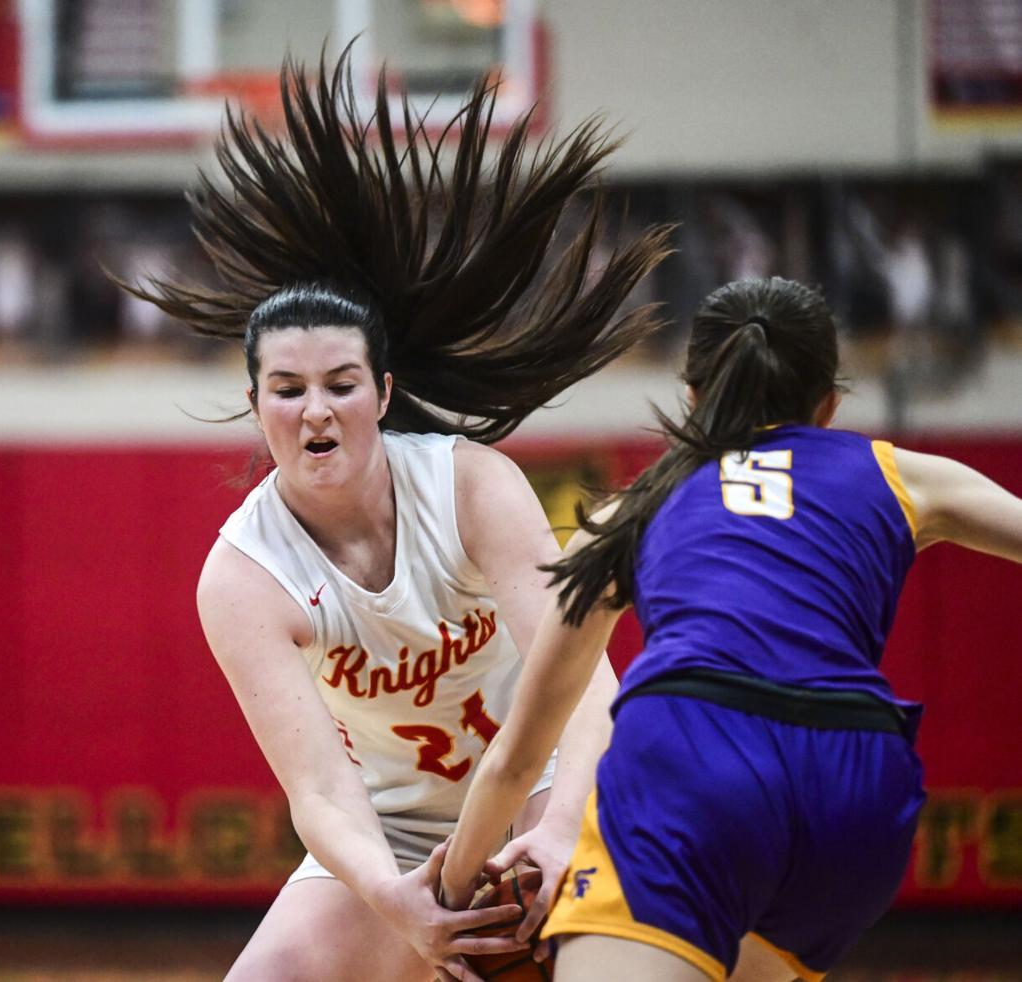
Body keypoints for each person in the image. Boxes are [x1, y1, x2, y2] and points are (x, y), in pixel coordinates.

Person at [126, 50, 670, 982]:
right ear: (257, 404)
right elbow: (322, 792)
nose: (316, 410)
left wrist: (557, 831)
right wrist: (396, 900)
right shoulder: (243, 574)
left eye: (340, 384)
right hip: (398, 832)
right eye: (288, 389)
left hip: (552, 787)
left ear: (381, 392)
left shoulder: (471, 487)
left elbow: (585, 685)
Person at [437, 276, 1022, 982]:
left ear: (690, 397)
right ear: (829, 405)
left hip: (698, 753)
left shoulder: (630, 511)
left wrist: (451, 900)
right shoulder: (902, 475)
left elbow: (518, 760)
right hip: (859, 773)